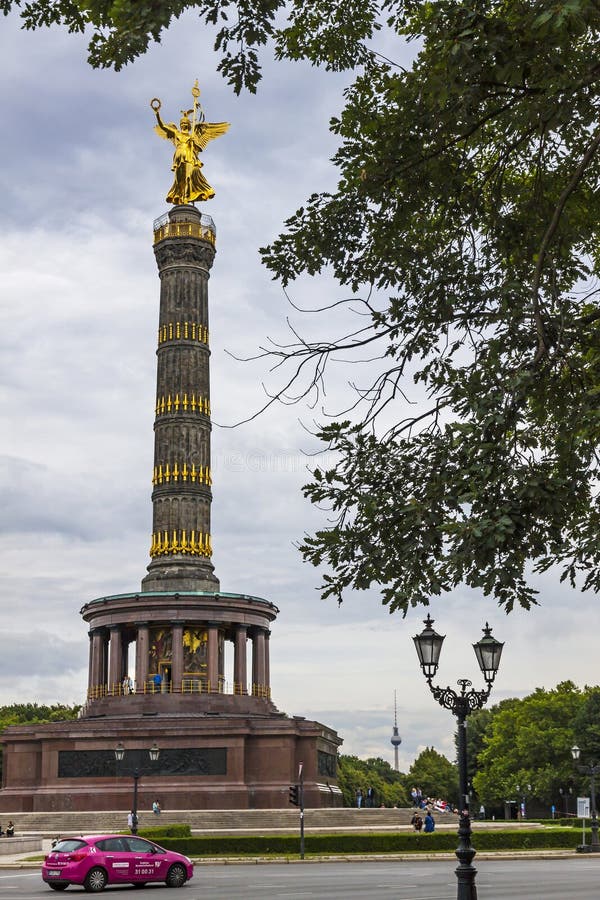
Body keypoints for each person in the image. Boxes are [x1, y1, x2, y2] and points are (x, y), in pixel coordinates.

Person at [151, 82, 230, 205]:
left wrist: (194, 141)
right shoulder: (175, 133)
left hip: (189, 156)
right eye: (182, 123)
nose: (183, 125)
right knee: (179, 180)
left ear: (188, 125)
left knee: (189, 176)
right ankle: (181, 198)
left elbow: (197, 147)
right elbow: (162, 126)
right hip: (179, 157)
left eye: (185, 123)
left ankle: (187, 198)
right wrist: (157, 113)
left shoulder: (192, 135)